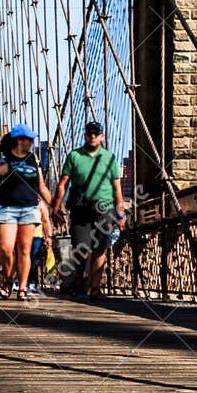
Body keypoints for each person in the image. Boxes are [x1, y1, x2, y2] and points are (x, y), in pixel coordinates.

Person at [51, 119, 127, 299]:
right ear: (85, 135)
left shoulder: (110, 158)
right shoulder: (74, 156)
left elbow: (117, 188)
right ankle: (79, 278)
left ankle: (95, 288)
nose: (92, 136)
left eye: (96, 133)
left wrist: (121, 213)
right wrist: (55, 208)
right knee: (80, 248)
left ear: (101, 136)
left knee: (100, 248)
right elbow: (63, 184)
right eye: (89, 133)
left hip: (105, 207)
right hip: (80, 207)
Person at [0, 123, 53, 303]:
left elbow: (41, 186)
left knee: (24, 249)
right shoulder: (2, 157)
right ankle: (8, 279)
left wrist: (55, 204)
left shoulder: (33, 159)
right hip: (7, 207)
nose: (31, 142)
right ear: (18, 140)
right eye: (28, 139)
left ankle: (21, 288)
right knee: (6, 248)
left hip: (29, 207)